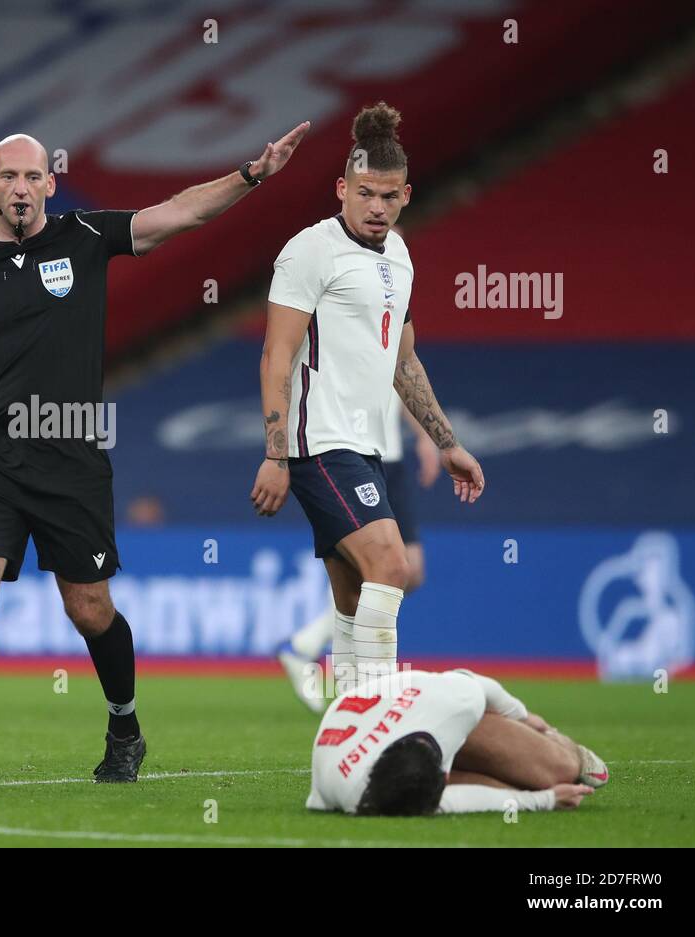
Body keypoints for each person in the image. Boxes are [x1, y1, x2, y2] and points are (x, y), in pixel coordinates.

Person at [0, 123, 310, 786]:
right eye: (8, 175)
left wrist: (251, 174)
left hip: (71, 452)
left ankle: (125, 727)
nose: (22, 187)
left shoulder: (84, 237)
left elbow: (181, 212)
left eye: (34, 175)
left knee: (87, 606)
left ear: (50, 184)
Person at [252, 102, 484, 698]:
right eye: (364, 193)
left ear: (405, 194)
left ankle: (352, 718)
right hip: (318, 443)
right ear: (342, 189)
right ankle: (383, 718)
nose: (376, 206)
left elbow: (403, 361)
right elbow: (276, 356)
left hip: (368, 443)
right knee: (393, 566)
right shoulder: (309, 251)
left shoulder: (400, 257)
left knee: (354, 596)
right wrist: (276, 455)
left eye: (388, 196)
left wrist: (448, 442)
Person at [278, 395, 440, 712]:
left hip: (386, 455)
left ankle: (306, 648)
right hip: (346, 447)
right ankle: (369, 704)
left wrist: (425, 435)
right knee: (372, 568)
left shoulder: (389, 344)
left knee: (405, 570)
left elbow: (400, 368)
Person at [307, 667, 608, 815]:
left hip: (433, 704)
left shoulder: (455, 705)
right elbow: (453, 802)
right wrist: (543, 800)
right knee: (522, 790)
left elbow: (481, 687)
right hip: (385, 725)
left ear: (444, 772)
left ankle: (567, 749)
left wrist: (526, 719)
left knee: (559, 771)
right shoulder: (353, 791)